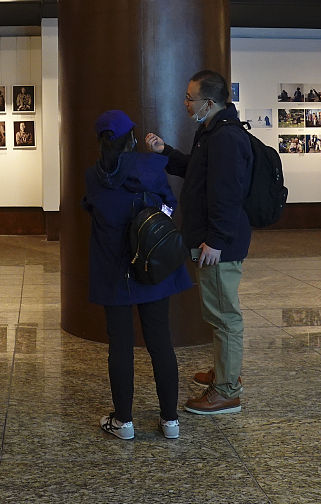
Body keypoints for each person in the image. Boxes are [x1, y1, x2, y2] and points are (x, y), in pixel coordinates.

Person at [145, 69, 252, 416]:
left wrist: (216, 240)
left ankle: (227, 391)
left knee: (224, 316)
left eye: (190, 98)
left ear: (209, 101)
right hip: (212, 239)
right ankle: (224, 372)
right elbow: (198, 172)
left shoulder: (225, 137)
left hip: (220, 243)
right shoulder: (211, 132)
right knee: (217, 311)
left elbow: (227, 193)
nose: (186, 103)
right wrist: (166, 152)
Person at [83, 110, 190, 440]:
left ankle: (124, 422)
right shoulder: (152, 168)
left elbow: (91, 208)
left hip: (114, 272)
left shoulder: (93, 176)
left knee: (120, 346)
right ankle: (170, 420)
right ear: (132, 138)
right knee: (161, 343)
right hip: (152, 268)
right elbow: (170, 207)